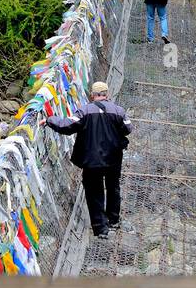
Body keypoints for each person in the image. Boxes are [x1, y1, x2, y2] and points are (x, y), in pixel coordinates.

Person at [43, 81, 132, 239]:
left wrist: (50, 120)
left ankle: (101, 228)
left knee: (94, 191)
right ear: (107, 94)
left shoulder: (84, 111)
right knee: (113, 186)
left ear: (92, 95)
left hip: (92, 160)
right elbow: (128, 128)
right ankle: (113, 219)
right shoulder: (119, 111)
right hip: (113, 157)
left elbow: (66, 126)